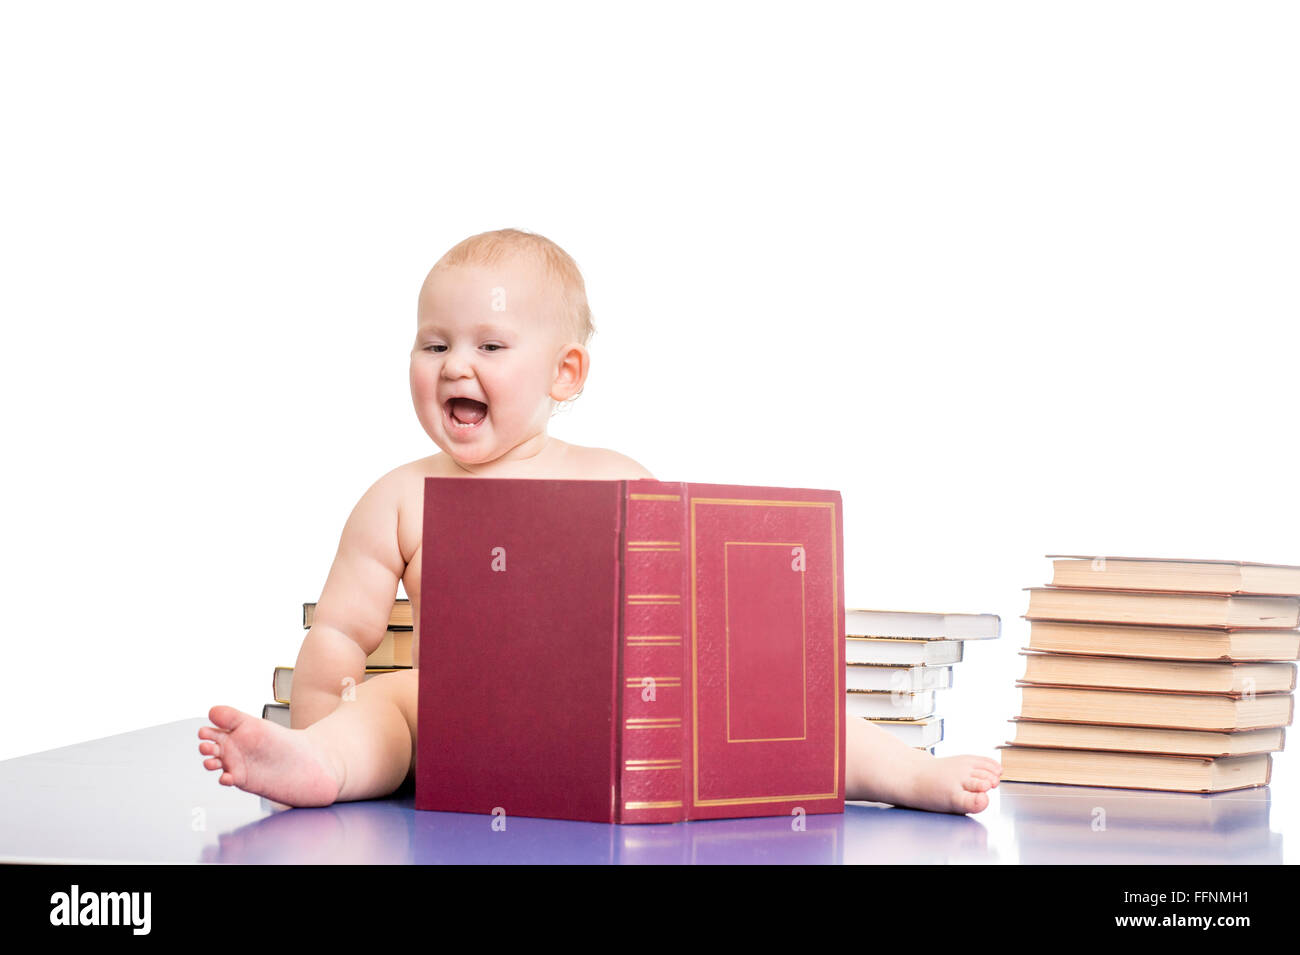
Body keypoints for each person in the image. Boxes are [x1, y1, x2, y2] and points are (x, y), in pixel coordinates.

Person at [198, 227, 1003, 813]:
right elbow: (340, 634)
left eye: (490, 343)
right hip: (467, 722)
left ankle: (904, 775)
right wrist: (317, 721)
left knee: (780, 717)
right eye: (433, 343)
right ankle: (317, 767)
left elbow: (691, 622)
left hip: (616, 718)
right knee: (393, 700)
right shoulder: (401, 495)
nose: (454, 366)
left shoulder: (617, 479)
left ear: (565, 371)